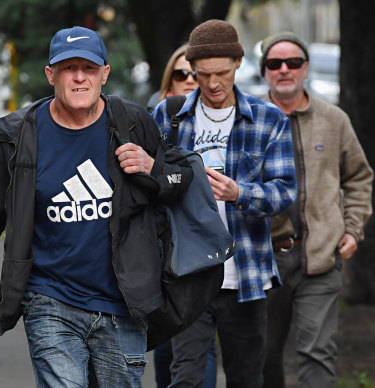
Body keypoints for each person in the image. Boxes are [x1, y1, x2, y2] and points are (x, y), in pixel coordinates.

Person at [0, 26, 194, 387]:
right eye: (69, 68)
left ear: (105, 73)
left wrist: (153, 169)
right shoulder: (20, 137)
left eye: (88, 68)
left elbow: (180, 181)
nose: (79, 78)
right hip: (51, 301)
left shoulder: (133, 123)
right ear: (51, 75)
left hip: (124, 304)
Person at [152, 19, 298, 387]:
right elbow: (147, 188)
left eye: (221, 73)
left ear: (238, 63)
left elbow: (284, 191)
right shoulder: (169, 117)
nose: (213, 84)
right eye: (203, 75)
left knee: (246, 377)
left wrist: (240, 193)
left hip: (246, 275)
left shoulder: (268, 120)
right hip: (187, 272)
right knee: (185, 377)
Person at [258, 32, 374, 388]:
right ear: (264, 72)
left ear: (305, 68)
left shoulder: (333, 120)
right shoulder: (250, 119)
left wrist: (353, 229)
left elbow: (359, 177)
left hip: (321, 257)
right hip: (265, 259)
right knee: (262, 353)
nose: (284, 70)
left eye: (293, 62)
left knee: (317, 352)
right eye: (275, 64)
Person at [148, 43, 217, 388]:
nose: (191, 79)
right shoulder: (154, 120)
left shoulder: (227, 116)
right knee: (168, 352)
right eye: (182, 73)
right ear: (169, 82)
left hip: (209, 258)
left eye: (198, 73)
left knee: (197, 354)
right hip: (167, 260)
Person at [146, 44, 198, 112]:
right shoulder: (154, 117)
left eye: (197, 74)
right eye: (181, 74)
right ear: (170, 82)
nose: (189, 80)